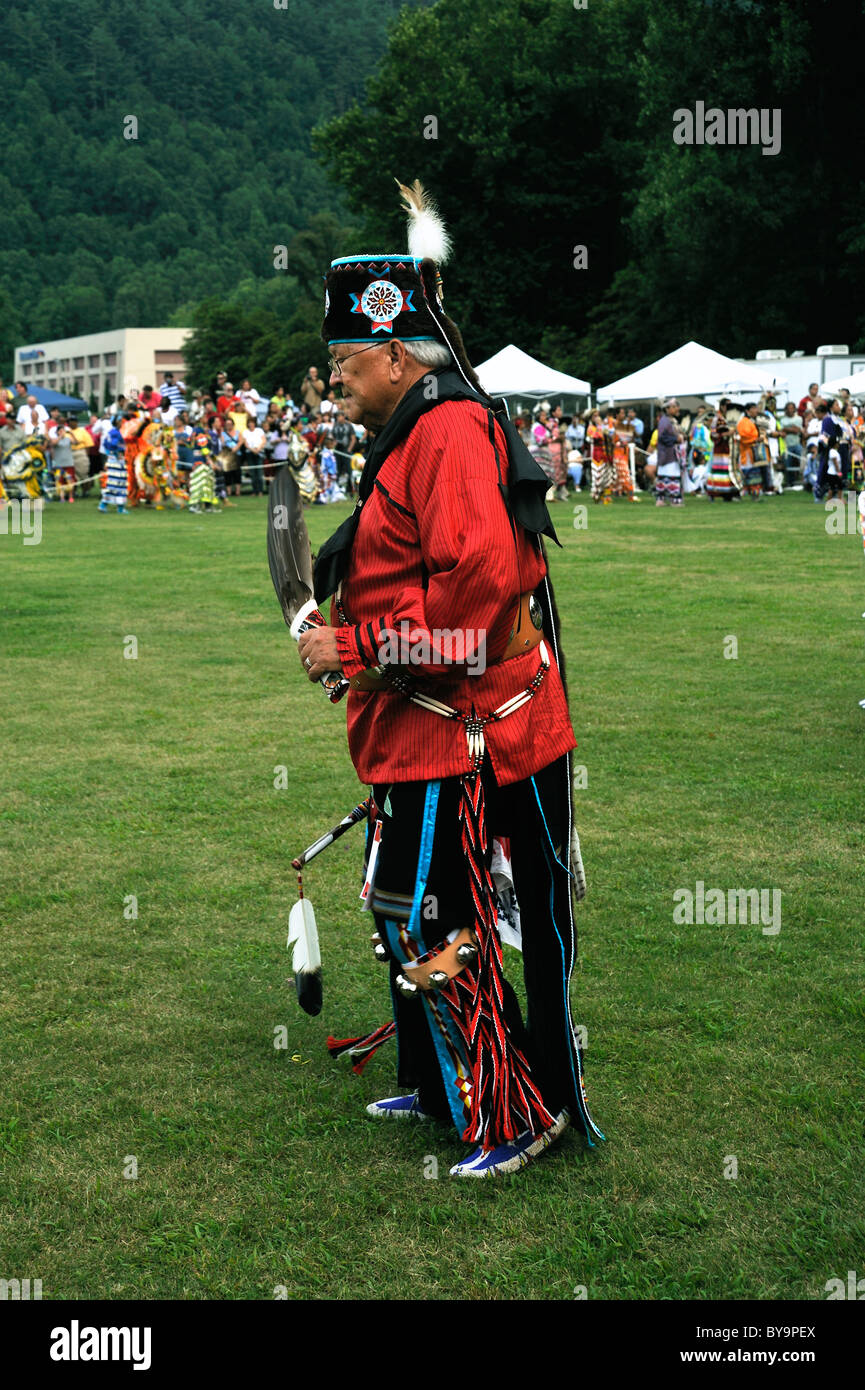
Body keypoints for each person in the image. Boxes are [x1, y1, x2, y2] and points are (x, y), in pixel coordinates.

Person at [297, 180, 602, 1178]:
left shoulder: (450, 433)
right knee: (408, 909)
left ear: (393, 352)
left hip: (481, 727)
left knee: (445, 920)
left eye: (344, 361)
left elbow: (475, 602)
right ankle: (443, 1085)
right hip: (431, 728)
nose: (333, 378)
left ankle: (521, 1108)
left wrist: (356, 650)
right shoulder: (412, 433)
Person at [654, 398, 684, 505]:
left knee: (665, 475)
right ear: (667, 408)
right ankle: (673, 500)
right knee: (670, 475)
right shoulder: (664, 421)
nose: (677, 409)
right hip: (667, 454)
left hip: (670, 454)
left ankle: (661, 499)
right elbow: (662, 437)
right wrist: (676, 439)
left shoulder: (671, 420)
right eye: (674, 407)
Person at [735, 403, 764, 499]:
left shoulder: (751, 421)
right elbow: (743, 436)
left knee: (753, 472)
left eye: (756, 408)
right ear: (748, 411)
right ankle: (741, 493)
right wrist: (755, 439)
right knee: (747, 473)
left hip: (752, 452)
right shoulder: (744, 422)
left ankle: (754, 493)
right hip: (746, 452)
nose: (756, 410)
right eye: (754, 408)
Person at [587, 409, 614, 503]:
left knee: (606, 476)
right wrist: (600, 427)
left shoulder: (602, 427)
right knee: (598, 476)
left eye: (598, 415)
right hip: (597, 455)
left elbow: (610, 435)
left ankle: (605, 496)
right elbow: (597, 436)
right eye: (595, 416)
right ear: (591, 418)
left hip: (606, 454)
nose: (597, 417)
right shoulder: (590, 428)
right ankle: (596, 495)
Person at [781, 401, 804, 486]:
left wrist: (787, 429)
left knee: (802, 459)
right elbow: (782, 430)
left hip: (797, 444)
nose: (790, 410)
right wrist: (792, 428)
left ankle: (803, 479)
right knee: (787, 463)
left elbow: (797, 430)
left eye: (792, 408)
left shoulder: (799, 418)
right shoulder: (782, 419)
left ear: (794, 409)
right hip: (787, 445)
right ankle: (789, 482)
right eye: (788, 408)